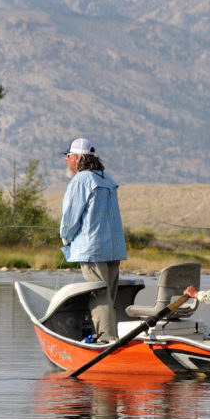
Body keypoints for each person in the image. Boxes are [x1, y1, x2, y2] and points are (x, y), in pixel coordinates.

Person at [60, 137, 127, 341]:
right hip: (114, 249)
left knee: (100, 296)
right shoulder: (106, 179)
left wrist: (65, 238)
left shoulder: (80, 181)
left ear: (78, 158)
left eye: (69, 156)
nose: (66, 160)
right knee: (110, 296)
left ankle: (107, 340)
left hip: (92, 250)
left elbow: (71, 217)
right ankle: (112, 336)